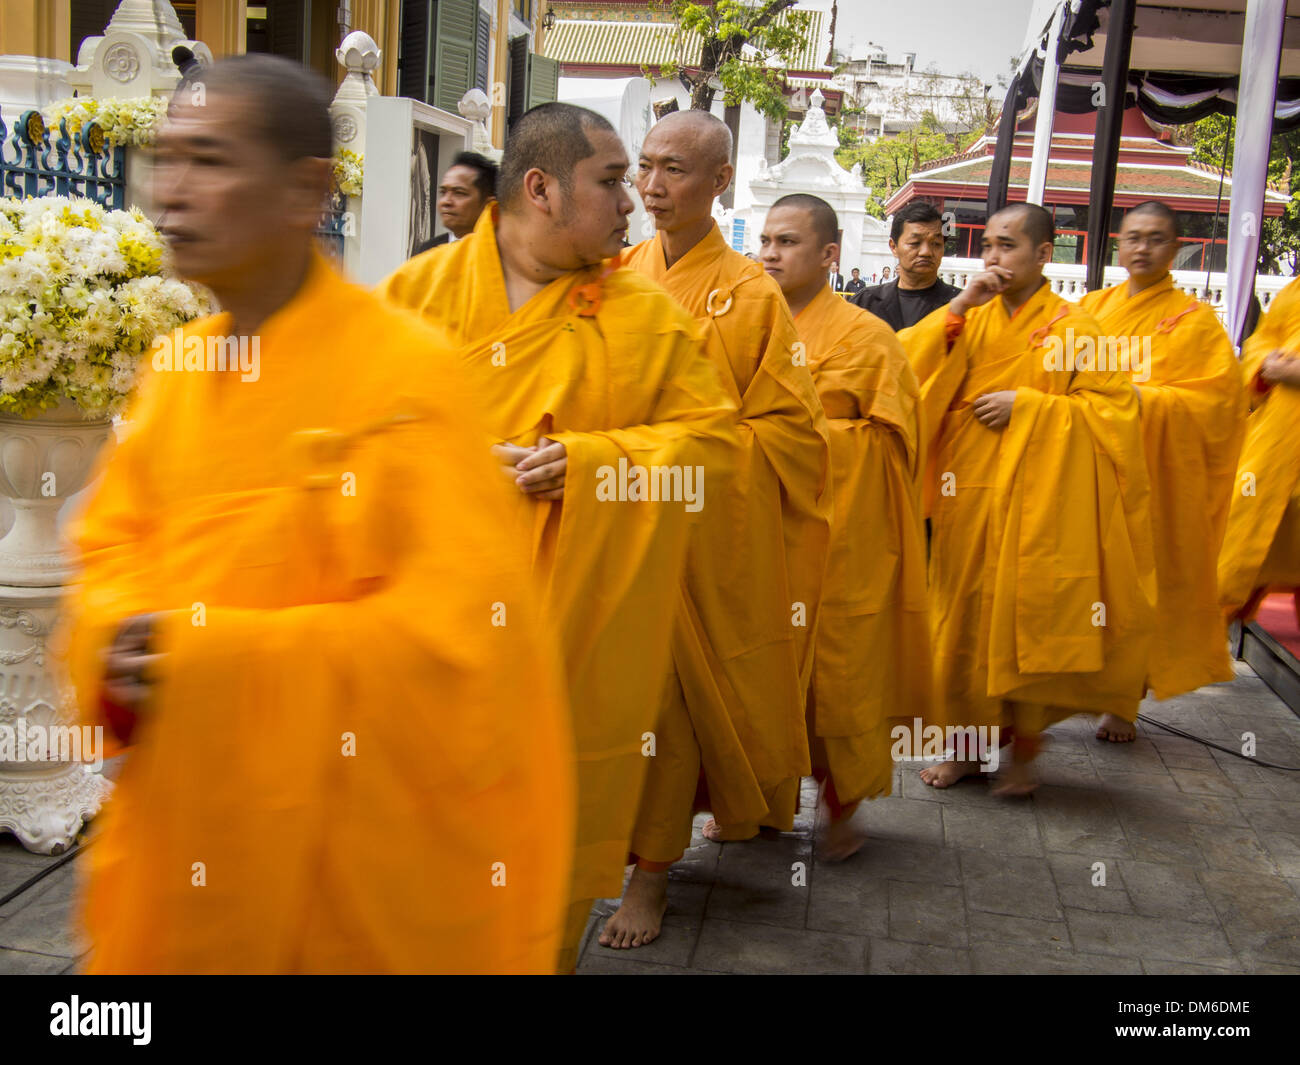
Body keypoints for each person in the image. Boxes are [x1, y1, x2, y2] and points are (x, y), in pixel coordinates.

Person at [58, 55, 576, 975]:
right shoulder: (176, 365)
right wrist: (115, 641)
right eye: (164, 160)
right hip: (191, 844)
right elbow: (111, 549)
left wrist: (221, 656)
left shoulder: (405, 376)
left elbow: (464, 640)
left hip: (343, 883)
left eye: (209, 162)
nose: (172, 193)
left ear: (306, 191)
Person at [376, 102, 738, 972]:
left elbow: (719, 448)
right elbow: (342, 440)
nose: (634, 202)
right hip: (432, 642)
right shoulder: (413, 297)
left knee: (544, 873)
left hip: (571, 646)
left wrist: (594, 463)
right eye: (613, 181)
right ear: (540, 188)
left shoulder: (644, 316)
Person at [602, 109, 831, 948]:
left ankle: (651, 875)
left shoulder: (752, 294)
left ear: (720, 182)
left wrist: (681, 452)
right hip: (605, 524)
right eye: (645, 168)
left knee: (668, 707)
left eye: (675, 171)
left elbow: (791, 435)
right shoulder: (616, 271)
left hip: (691, 539)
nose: (653, 187)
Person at [900, 203, 1155, 796]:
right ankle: (964, 748)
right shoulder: (973, 317)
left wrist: (1032, 407)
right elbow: (903, 367)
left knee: (1029, 624)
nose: (993, 258)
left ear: (1045, 254)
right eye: (987, 245)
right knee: (962, 622)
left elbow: (1115, 412)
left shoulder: (1076, 328)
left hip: (1042, 506)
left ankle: (1025, 754)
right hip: (967, 493)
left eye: (1008, 246)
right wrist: (959, 307)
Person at [761, 194, 930, 859]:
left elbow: (897, 443)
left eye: (788, 242)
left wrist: (801, 441)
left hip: (843, 534)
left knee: (840, 669)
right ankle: (759, 798)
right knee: (759, 664)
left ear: (829, 254)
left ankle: (841, 807)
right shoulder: (744, 324)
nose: (770, 253)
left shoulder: (868, 338)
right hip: (761, 528)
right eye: (766, 240)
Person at [1079, 201, 1246, 742]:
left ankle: (1125, 698)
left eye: (1155, 239)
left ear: (1176, 248)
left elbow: (1219, 404)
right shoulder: (1092, 308)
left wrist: (1139, 399)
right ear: (1118, 245)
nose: (1142, 248)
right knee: (1087, 582)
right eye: (1132, 238)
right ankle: (1074, 686)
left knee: (1140, 587)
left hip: (1153, 476)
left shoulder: (1194, 322)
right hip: (1091, 466)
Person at [1219, 275, 1300, 621]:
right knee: (1239, 551)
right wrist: (1267, 365)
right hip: (1277, 443)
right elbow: (1263, 338)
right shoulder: (1294, 291)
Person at [853, 202, 960, 330]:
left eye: (936, 243)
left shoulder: (959, 306)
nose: (926, 252)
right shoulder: (865, 303)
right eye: (915, 243)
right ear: (893, 247)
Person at [433, 151, 497, 245]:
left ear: (488, 204)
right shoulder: (428, 250)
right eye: (443, 192)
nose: (446, 201)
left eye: (459, 193)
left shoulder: (505, 253)